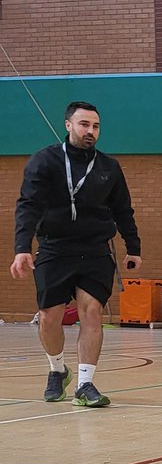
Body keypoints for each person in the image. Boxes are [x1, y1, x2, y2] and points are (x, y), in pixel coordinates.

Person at [10, 101, 142, 408]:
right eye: (84, 124)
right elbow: (28, 205)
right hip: (55, 248)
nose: (90, 131)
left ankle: (85, 384)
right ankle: (58, 370)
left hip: (95, 250)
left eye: (95, 126)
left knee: (92, 311)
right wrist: (22, 248)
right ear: (68, 125)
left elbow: (123, 209)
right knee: (49, 317)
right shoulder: (44, 161)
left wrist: (133, 247)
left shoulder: (109, 167)